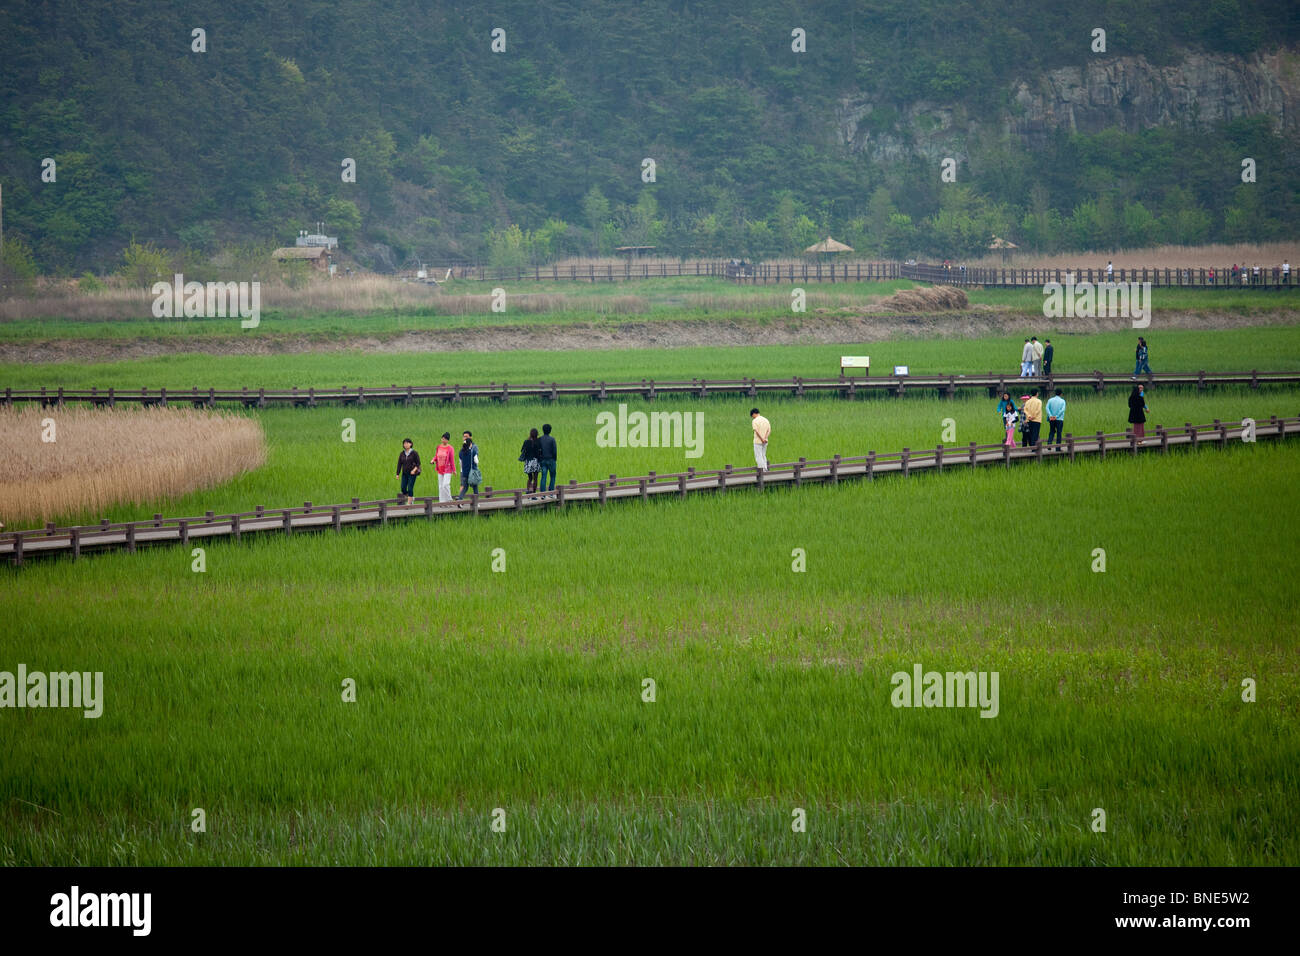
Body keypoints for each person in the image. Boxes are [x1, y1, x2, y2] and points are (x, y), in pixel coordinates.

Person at [432, 432, 457, 503]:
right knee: (440, 486)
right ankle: (442, 502)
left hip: (447, 469)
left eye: (445, 439)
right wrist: (433, 460)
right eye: (443, 438)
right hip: (440, 469)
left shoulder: (450, 448)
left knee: (445, 485)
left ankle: (449, 500)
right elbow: (436, 455)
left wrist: (454, 470)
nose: (444, 440)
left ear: (448, 440)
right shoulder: (438, 447)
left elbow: (452, 459)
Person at [455, 431, 480, 500]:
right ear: (470, 444)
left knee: (465, 487)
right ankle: (476, 502)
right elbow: (476, 461)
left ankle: (460, 499)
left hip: (464, 472)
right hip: (472, 472)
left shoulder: (461, 452)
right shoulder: (473, 451)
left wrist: (462, 469)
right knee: (475, 487)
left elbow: (460, 463)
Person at [396, 438, 421, 504]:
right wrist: (397, 474)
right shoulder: (402, 453)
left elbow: (418, 463)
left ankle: (409, 503)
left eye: (407, 443)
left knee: (410, 488)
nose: (406, 444)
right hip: (404, 473)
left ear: (411, 444)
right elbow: (399, 464)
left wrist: (414, 470)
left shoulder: (414, 453)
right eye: (404, 443)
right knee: (403, 488)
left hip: (412, 474)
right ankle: (411, 497)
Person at [519, 428, 542, 494]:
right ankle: (534, 493)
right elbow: (540, 452)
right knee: (535, 478)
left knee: (530, 478)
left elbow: (522, 450)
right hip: (536, 461)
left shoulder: (526, 441)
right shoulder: (538, 441)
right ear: (537, 434)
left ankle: (528, 490)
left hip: (528, 461)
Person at [537, 423, 557, 493]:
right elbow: (554, 450)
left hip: (542, 460)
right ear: (550, 430)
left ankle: (542, 493)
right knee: (553, 476)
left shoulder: (539, 439)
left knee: (543, 476)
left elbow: (538, 450)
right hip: (551, 460)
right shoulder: (552, 439)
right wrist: (554, 459)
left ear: (543, 430)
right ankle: (551, 492)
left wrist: (540, 459)